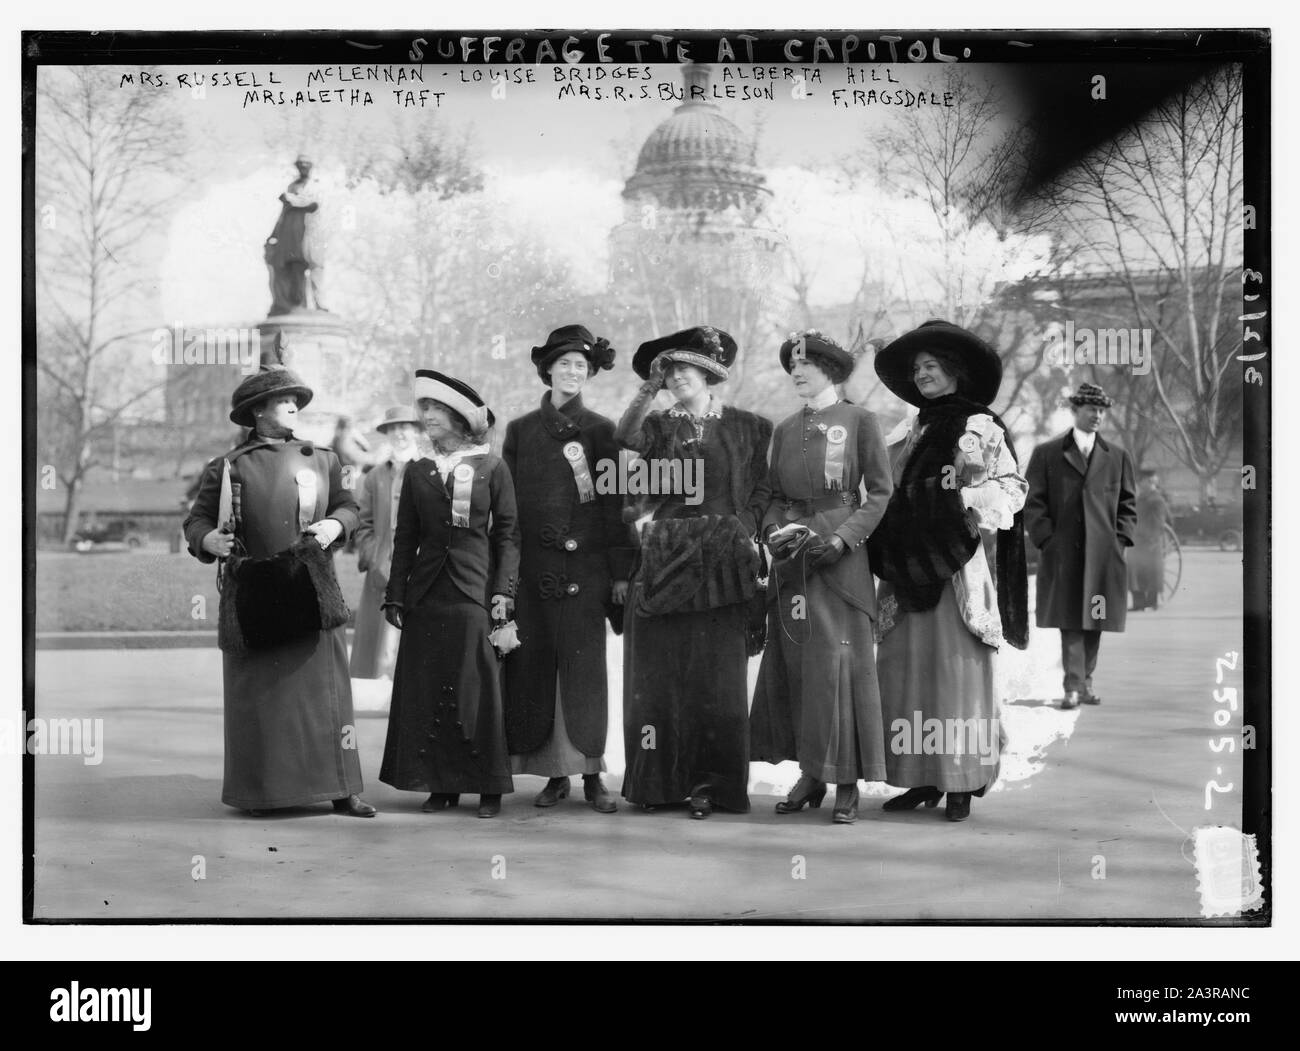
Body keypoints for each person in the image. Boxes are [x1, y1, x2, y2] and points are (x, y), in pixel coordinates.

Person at [183, 365, 375, 818]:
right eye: (283, 400)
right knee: (262, 694)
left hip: (312, 586)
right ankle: (263, 791)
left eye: (296, 400)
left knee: (326, 693)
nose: (294, 407)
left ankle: (342, 788)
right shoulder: (227, 467)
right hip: (254, 591)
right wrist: (207, 540)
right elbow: (197, 520)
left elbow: (350, 507)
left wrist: (337, 523)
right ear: (257, 412)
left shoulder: (325, 459)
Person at [869, 320, 1029, 823]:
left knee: (956, 671)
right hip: (903, 562)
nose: (921, 376)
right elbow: (880, 487)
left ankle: (961, 779)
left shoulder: (979, 426)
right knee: (907, 667)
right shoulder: (906, 429)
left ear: (954, 372)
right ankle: (922, 778)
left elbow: (1010, 488)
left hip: (956, 565)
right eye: (916, 369)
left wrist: (956, 499)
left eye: (930, 367)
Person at [615, 326, 772, 819]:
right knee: (659, 675)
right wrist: (647, 389)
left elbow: (763, 491)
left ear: (709, 373)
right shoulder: (658, 426)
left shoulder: (752, 427)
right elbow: (623, 438)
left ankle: (713, 786)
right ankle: (659, 784)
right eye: (668, 372)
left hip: (725, 559)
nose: (678, 377)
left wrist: (742, 528)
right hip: (665, 555)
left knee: (717, 679)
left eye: (685, 368)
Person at [749, 331, 894, 824]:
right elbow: (771, 494)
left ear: (831, 369)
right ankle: (812, 774)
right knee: (801, 667)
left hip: (841, 560)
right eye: (791, 363)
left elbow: (878, 492)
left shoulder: (860, 421)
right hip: (794, 562)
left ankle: (847, 781)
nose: (796, 370)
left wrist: (842, 538)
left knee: (842, 667)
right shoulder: (785, 429)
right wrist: (771, 531)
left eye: (806, 362)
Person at [502, 325, 632, 813]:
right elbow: (508, 510)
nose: (573, 373)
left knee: (585, 670)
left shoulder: (603, 431)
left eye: (582, 366)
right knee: (535, 670)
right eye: (565, 365)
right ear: (548, 370)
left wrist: (620, 573)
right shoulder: (519, 431)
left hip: (588, 570)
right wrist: (508, 577)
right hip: (535, 571)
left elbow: (617, 504)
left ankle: (593, 774)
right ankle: (554, 777)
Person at [379, 370, 520, 818]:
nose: (427, 417)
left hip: (473, 591)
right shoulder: (417, 470)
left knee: (476, 688)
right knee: (430, 687)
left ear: (461, 418)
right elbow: (406, 538)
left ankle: (488, 787)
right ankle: (440, 784)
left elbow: (509, 537)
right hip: (425, 595)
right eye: (425, 410)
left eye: (436, 410)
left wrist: (503, 593)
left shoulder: (491, 467)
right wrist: (396, 595)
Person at [1024, 382, 1137, 709]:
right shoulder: (1048, 454)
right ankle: (1073, 686)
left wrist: (1121, 540)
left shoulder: (1117, 456)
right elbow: (1033, 502)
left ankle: (1085, 682)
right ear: (1075, 411)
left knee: (1095, 620)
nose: (1098, 416)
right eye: (1091, 410)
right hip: (1064, 555)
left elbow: (1128, 504)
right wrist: (1047, 539)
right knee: (1071, 619)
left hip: (1104, 556)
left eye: (1102, 411)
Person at [350, 406, 422, 679]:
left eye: (404, 427)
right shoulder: (375, 475)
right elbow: (363, 522)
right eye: (392, 428)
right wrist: (372, 556)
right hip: (382, 568)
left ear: (416, 430)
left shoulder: (431, 468)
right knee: (382, 639)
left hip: (420, 566)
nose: (399, 433)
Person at [264, 154, 326, 314]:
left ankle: (320, 304)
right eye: (300, 165)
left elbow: (314, 204)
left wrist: (292, 200)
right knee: (294, 268)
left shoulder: (315, 185)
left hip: (310, 233)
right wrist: (274, 234)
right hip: (291, 235)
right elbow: (283, 214)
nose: (302, 168)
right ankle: (298, 304)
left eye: (306, 165)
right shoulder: (292, 186)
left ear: (310, 166)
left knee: (315, 267)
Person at [1130, 468, 1173, 611]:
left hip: (1150, 543)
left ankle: (1151, 603)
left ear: (1150, 482)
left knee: (1151, 573)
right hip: (1138, 541)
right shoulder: (1140, 498)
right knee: (1134, 572)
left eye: (1141, 481)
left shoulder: (1156, 500)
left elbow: (1158, 524)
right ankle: (1138, 603)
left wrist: (1148, 538)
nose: (1139, 485)